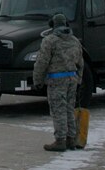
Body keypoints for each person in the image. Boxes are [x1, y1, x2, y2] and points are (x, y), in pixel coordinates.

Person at [32, 13, 85, 152]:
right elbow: (81, 63)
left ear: (52, 25)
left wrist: (37, 80)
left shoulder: (50, 41)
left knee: (58, 110)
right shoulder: (75, 41)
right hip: (72, 79)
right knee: (69, 109)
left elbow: (42, 62)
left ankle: (60, 140)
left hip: (57, 80)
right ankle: (71, 139)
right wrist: (78, 79)